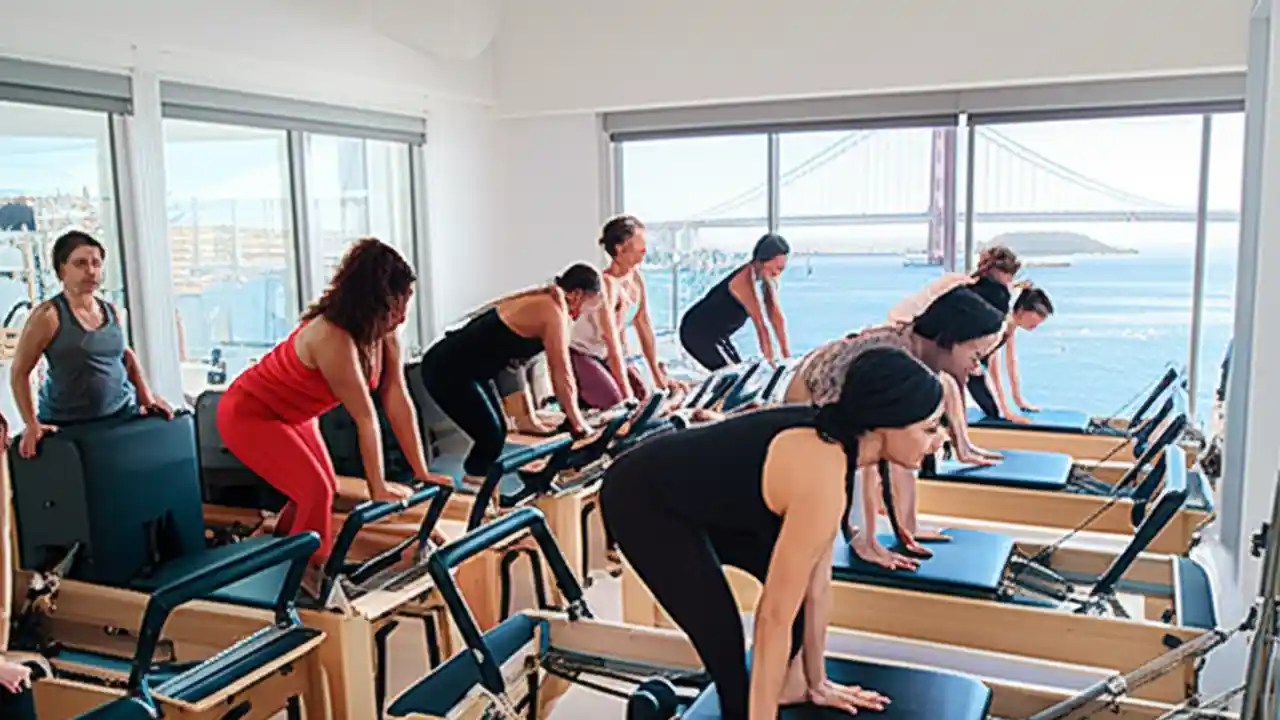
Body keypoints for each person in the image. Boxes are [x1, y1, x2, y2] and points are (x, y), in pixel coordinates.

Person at [603, 347, 945, 720]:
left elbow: (817, 586)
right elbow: (772, 618)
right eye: (929, 428)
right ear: (885, 424)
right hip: (643, 499)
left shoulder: (840, 449)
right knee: (727, 652)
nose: (939, 439)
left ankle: (794, 687)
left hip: (713, 501)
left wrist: (818, 682)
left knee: (794, 604)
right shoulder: (822, 472)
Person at [217, 238, 438, 590]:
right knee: (316, 489)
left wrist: (422, 471)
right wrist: (377, 488)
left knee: (320, 488)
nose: (402, 316)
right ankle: (312, 575)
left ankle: (280, 550)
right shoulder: (331, 337)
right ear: (373, 300)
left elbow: (397, 397)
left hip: (297, 415)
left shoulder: (383, 334)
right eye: (397, 305)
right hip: (250, 413)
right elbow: (365, 418)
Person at [785, 287, 1005, 569]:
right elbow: (865, 454)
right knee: (873, 448)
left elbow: (904, 457)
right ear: (948, 339)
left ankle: (909, 518)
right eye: (975, 356)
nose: (976, 368)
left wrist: (907, 529)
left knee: (930, 408)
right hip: (806, 402)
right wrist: (865, 541)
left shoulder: (923, 357)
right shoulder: (893, 358)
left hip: (837, 399)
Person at [419, 264, 602, 488]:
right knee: (490, 437)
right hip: (445, 368)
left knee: (497, 435)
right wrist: (578, 423)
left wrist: (538, 418)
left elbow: (515, 368)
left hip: (470, 371)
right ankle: (477, 496)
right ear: (576, 295)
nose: (580, 316)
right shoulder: (551, 310)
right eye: (584, 309)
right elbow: (562, 373)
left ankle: (482, 492)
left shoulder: (551, 305)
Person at [10, 230, 173, 459]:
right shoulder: (48, 316)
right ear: (61, 270)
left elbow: (124, 356)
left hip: (119, 416)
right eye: (80, 264)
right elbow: (19, 372)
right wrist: (31, 424)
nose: (91, 271)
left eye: (96, 263)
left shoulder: (111, 311)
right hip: (69, 424)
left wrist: (147, 398)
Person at [571, 215, 683, 409]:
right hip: (582, 353)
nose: (645, 249)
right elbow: (611, 339)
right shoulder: (606, 284)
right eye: (639, 244)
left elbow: (644, 327)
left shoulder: (636, 279)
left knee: (645, 397)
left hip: (606, 355)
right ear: (620, 248)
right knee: (619, 403)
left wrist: (657, 376)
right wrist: (626, 394)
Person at [679, 234, 791, 371]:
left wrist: (787, 358)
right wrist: (773, 365)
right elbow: (761, 327)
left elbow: (776, 317)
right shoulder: (743, 281)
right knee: (734, 376)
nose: (777, 273)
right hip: (696, 332)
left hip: (717, 335)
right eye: (777, 269)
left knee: (740, 373)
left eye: (781, 269)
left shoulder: (764, 277)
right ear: (762, 261)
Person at [972, 286, 1054, 422]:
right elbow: (994, 366)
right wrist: (1005, 409)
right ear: (1022, 311)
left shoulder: (1012, 322)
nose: (1039, 321)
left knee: (994, 409)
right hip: (964, 361)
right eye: (1038, 315)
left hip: (977, 363)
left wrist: (1018, 400)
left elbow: (1011, 360)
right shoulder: (1000, 321)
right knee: (994, 412)